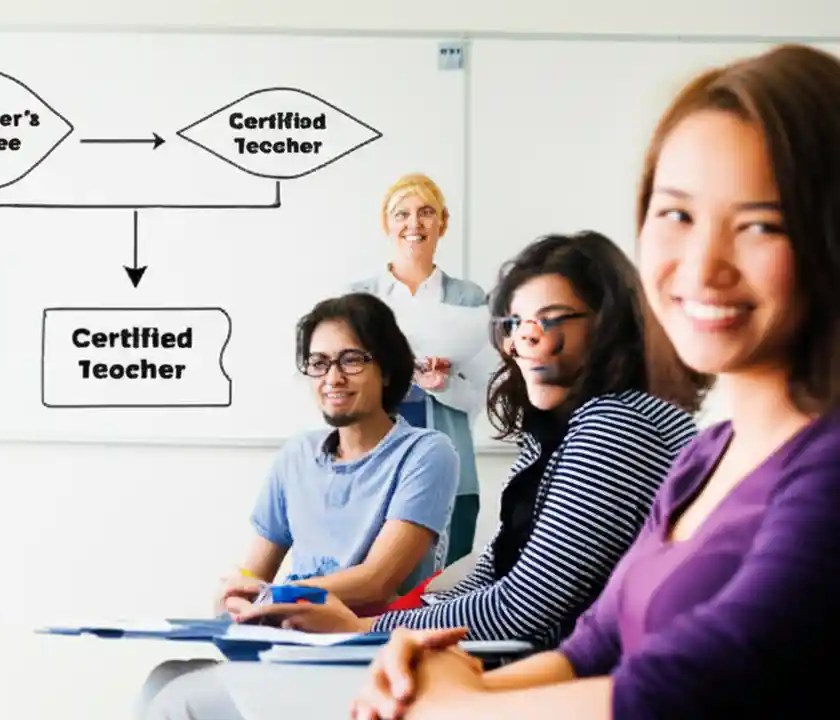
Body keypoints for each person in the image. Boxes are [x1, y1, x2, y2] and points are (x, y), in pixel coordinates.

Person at [350, 43, 840, 720]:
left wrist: (454, 703)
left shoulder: (823, 461)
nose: (703, 263)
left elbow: (704, 681)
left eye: (760, 224)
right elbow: (594, 642)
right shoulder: (709, 453)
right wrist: (428, 676)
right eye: (676, 215)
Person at [143, 232, 707, 720]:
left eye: (552, 320)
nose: (526, 338)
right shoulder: (553, 435)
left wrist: (365, 629)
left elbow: (525, 607)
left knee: (186, 700)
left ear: (610, 326)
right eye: (514, 323)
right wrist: (255, 595)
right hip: (486, 653)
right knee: (167, 680)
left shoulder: (617, 423)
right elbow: (490, 573)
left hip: (526, 673)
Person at [136, 293, 460, 718]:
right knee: (166, 677)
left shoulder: (428, 452)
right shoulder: (297, 454)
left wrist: (273, 597)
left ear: (386, 369)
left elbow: (377, 580)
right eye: (319, 362)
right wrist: (234, 594)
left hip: (362, 650)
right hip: (287, 640)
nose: (333, 377)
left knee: (184, 700)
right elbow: (254, 570)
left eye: (351, 360)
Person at [351, 173, 490, 567]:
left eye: (426, 212)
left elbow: (481, 395)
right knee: (374, 587)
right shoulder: (359, 299)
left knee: (444, 589)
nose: (414, 224)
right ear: (386, 223)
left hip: (452, 472)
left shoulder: (469, 299)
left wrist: (442, 385)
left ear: (441, 223)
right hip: (375, 470)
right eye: (402, 214)